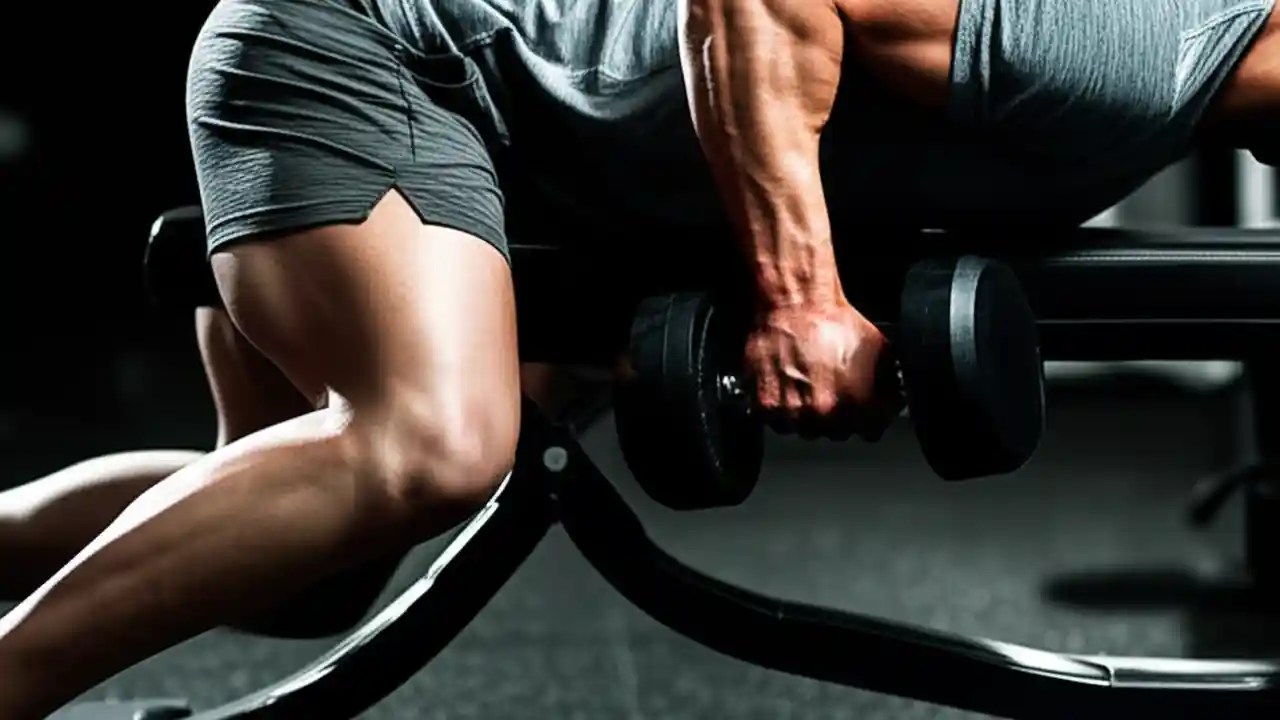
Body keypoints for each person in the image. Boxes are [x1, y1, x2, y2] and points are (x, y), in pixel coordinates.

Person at [2, 0, 1279, 714]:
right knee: (431, 449)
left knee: (306, 572)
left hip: (523, 147)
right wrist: (806, 298)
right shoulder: (1138, 46)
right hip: (374, 52)